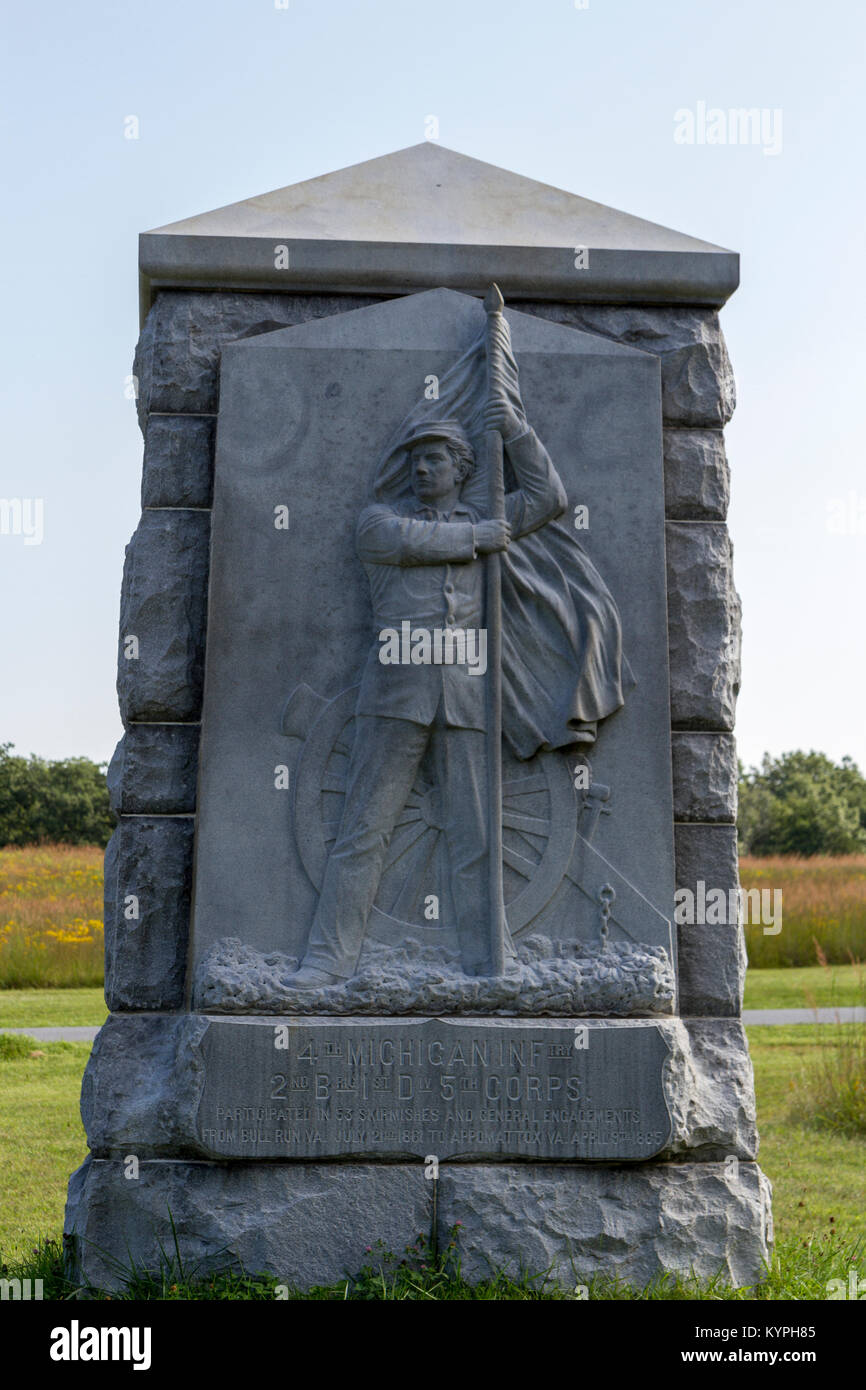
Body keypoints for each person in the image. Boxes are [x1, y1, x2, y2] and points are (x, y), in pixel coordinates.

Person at [291, 397, 568, 987]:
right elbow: (406, 541)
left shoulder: (490, 518)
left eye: (436, 458)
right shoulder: (378, 523)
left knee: (475, 835)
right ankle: (327, 958)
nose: (423, 469)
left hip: (464, 694)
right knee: (365, 829)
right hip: (396, 690)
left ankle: (490, 961)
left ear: (461, 467)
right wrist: (480, 536)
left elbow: (548, 498)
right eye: (416, 460)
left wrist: (515, 426)